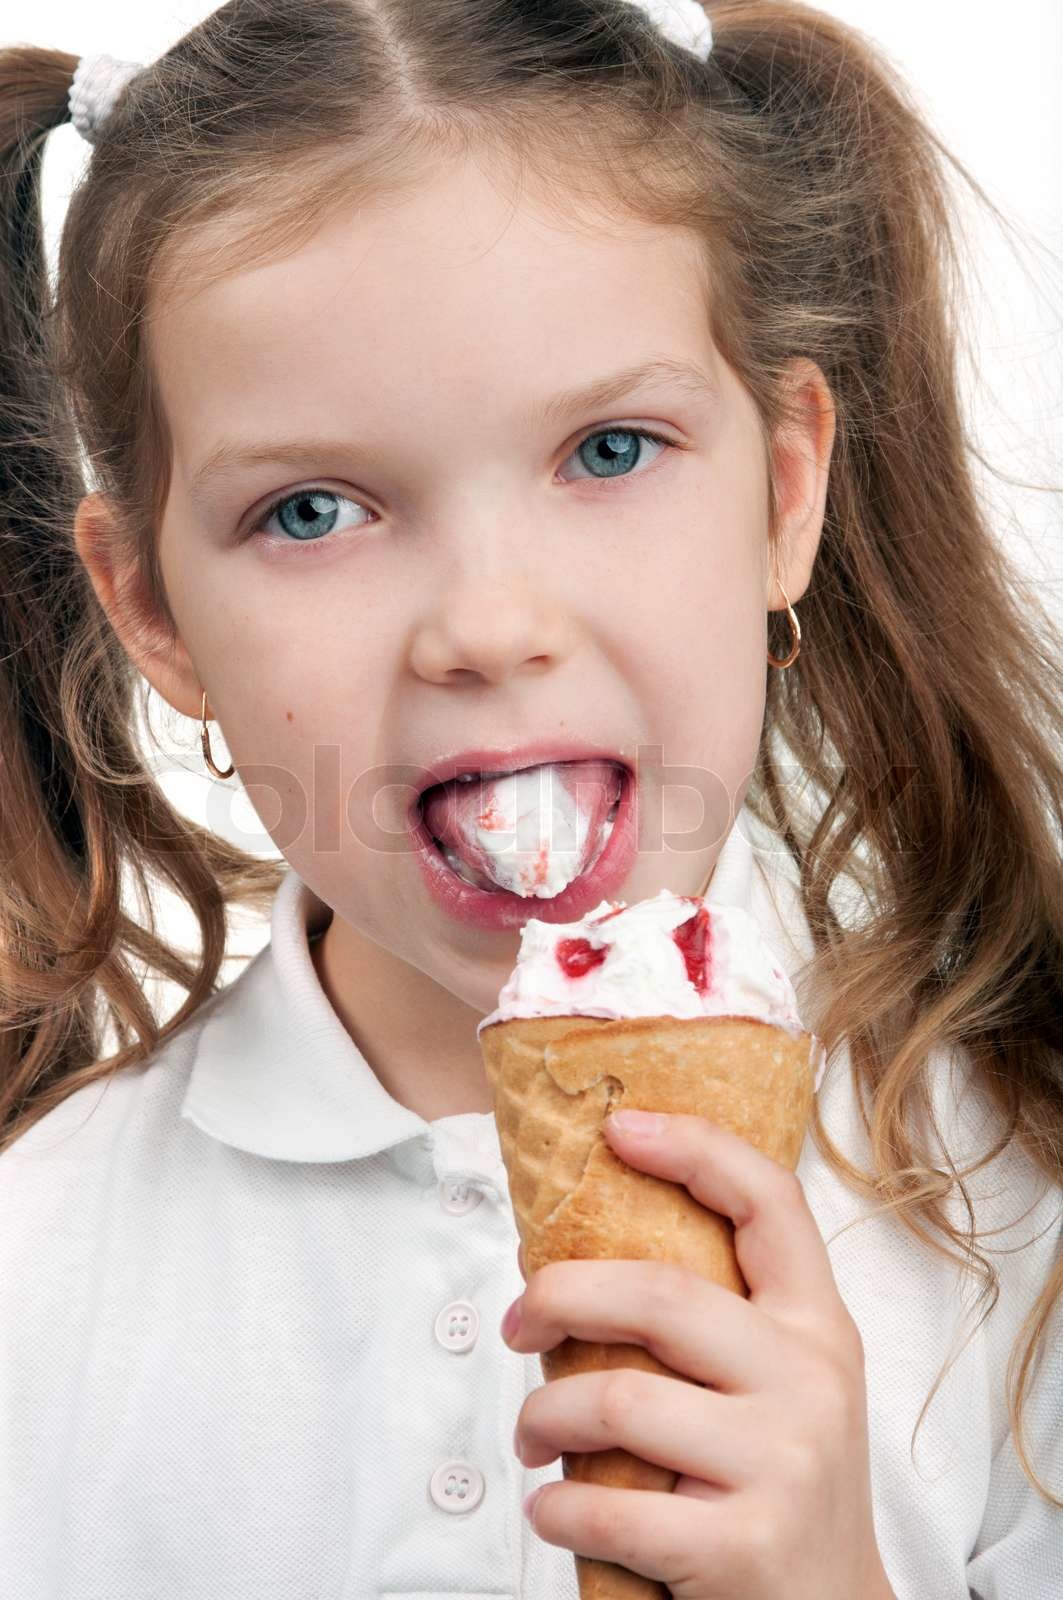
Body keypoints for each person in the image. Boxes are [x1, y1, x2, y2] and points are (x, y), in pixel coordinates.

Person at [0, 1, 1059, 1595]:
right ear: (152, 610)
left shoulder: (1015, 1201)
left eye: (610, 448)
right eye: (311, 509)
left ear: (783, 494)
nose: (492, 625)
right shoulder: (41, 1272)